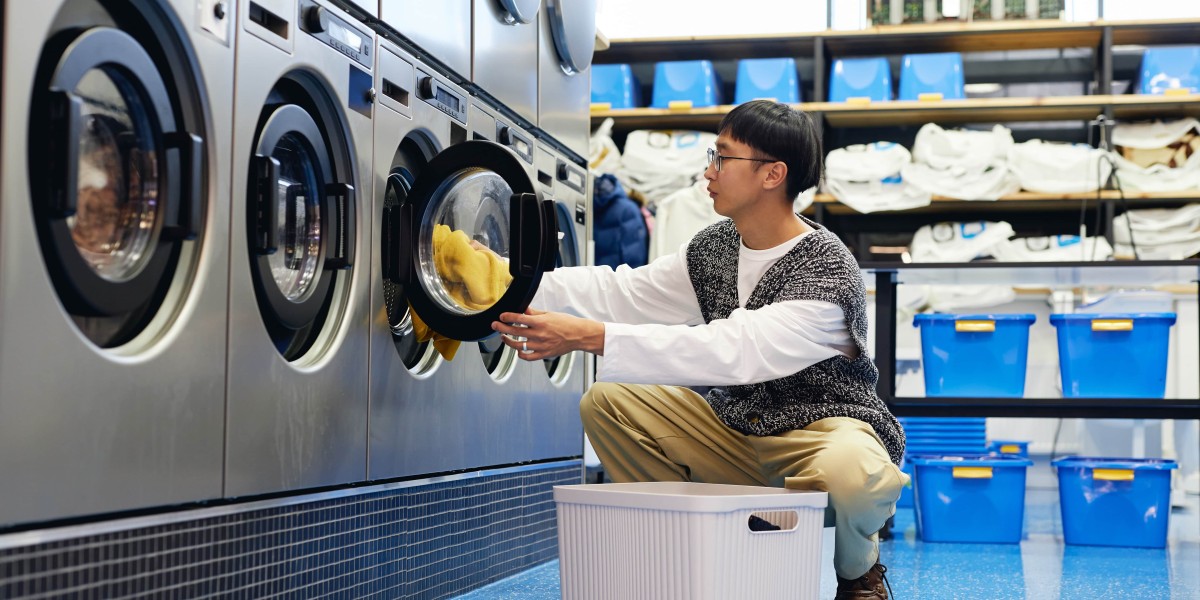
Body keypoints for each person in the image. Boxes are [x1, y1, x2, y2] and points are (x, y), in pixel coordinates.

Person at [492, 100, 908, 600]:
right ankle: (687, 553)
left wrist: (587, 335)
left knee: (852, 471)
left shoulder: (825, 268)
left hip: (817, 435)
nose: (706, 172)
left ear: (772, 174)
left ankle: (858, 575)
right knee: (609, 403)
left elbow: (735, 351)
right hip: (734, 429)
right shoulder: (715, 248)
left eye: (721, 158)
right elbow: (623, 292)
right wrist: (502, 277)